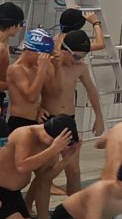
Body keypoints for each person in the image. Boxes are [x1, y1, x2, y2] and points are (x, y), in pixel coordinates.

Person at [0, 112, 74, 219]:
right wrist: (53, 149)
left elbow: (45, 177)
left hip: (14, 194)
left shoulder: (46, 145)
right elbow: (21, 166)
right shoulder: (24, 134)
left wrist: (66, 159)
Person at [33, 28, 103, 208]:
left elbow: (92, 91)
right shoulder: (47, 64)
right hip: (50, 122)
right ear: (65, 50)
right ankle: (41, 216)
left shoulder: (80, 68)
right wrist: (36, 108)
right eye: (77, 56)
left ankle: (76, 210)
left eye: (83, 57)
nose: (79, 61)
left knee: (74, 170)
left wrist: (99, 117)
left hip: (69, 120)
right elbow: (32, 91)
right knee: (46, 173)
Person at [5, 28, 56, 133]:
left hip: (35, 121)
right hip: (19, 123)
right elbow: (31, 97)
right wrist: (42, 70)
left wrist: (37, 109)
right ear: (29, 50)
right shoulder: (16, 69)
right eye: (41, 55)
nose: (43, 58)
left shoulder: (35, 68)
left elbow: (51, 93)